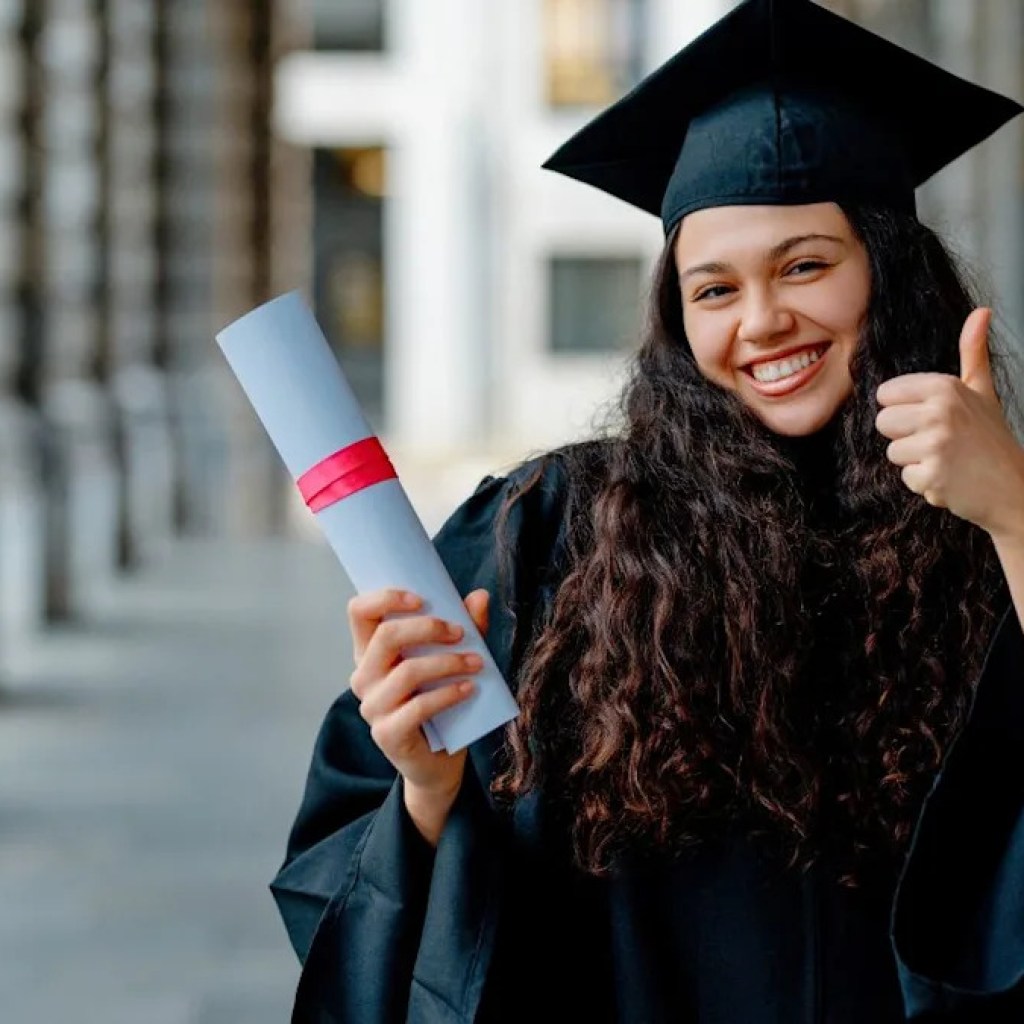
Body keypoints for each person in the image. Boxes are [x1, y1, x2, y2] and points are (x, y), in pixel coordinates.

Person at [270, 1, 1024, 1021]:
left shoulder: (986, 512)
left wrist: (1012, 513)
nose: (762, 322)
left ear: (886, 273)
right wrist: (424, 790)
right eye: (713, 289)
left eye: (805, 264)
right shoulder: (550, 532)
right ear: (676, 315)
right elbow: (360, 869)